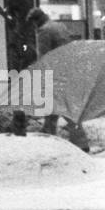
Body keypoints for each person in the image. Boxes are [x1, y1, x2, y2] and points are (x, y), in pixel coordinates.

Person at [27, 7, 75, 139]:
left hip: (55, 73)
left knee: (59, 105)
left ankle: (79, 139)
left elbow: (44, 56)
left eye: (32, 23)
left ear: (36, 21)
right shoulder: (60, 26)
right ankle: (48, 131)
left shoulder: (44, 31)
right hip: (68, 69)